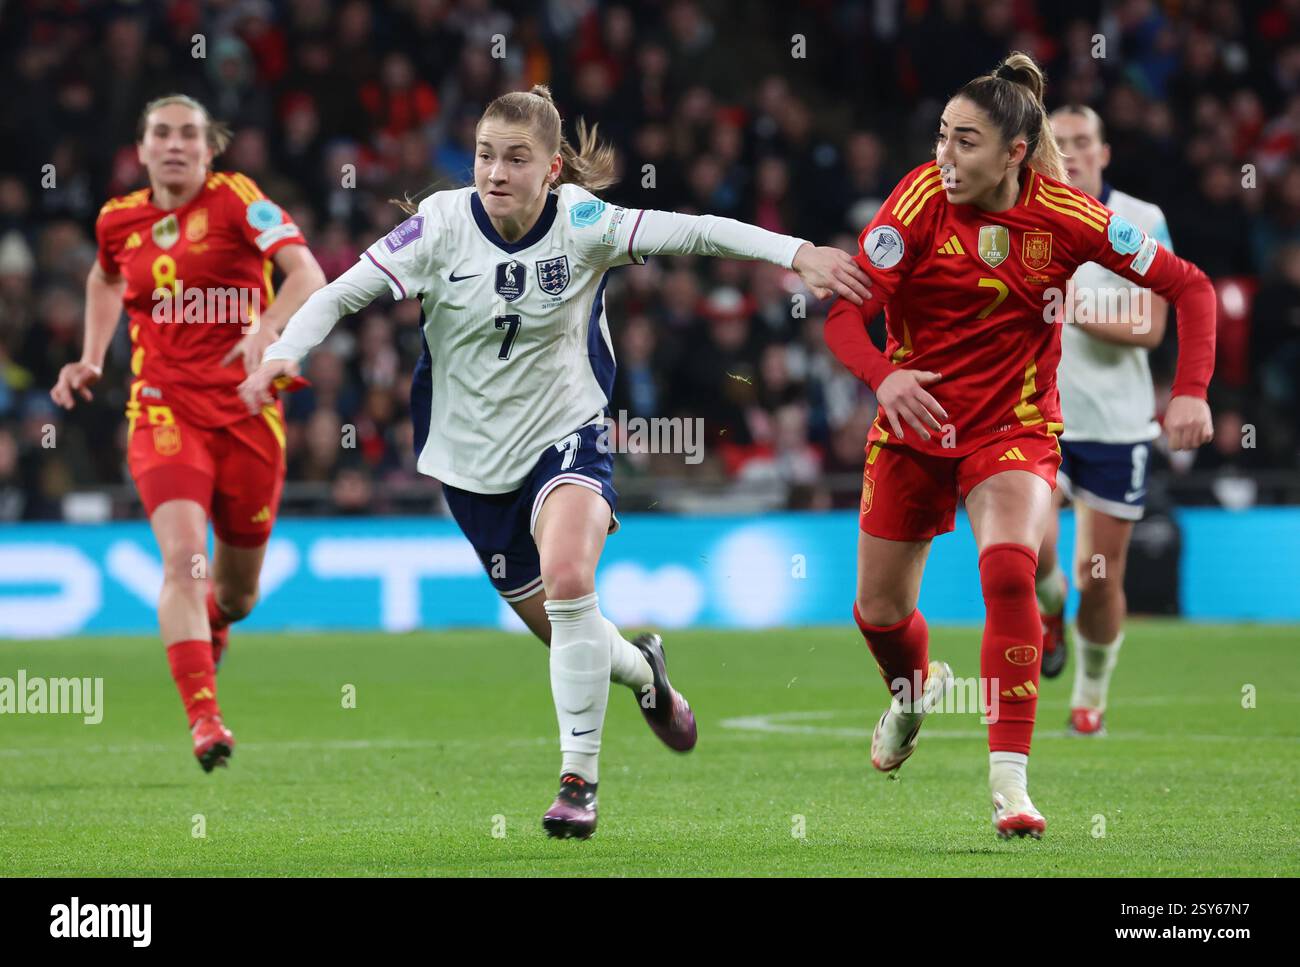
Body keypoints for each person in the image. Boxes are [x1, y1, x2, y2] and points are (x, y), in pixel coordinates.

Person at [238, 85, 870, 839]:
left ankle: (579, 783)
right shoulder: (438, 226)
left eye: (516, 159)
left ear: (553, 169)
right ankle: (646, 673)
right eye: (483, 155)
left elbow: (696, 233)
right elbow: (339, 296)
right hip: (470, 461)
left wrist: (797, 253)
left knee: (572, 580)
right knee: (573, 632)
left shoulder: (584, 224)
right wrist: (280, 353)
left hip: (565, 432)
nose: (495, 172)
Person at [823, 53, 1215, 839]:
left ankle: (1012, 785)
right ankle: (911, 694)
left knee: (1010, 569)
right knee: (878, 611)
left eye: (965, 142)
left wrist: (1192, 391)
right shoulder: (916, 200)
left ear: (1012, 152)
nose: (944, 157)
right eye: (940, 136)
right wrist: (883, 378)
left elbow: (1191, 286)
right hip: (912, 429)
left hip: (1013, 426)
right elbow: (842, 316)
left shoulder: (1069, 216)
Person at [51, 95, 326, 771]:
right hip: (163, 408)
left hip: (248, 409)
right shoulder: (119, 219)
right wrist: (92, 355)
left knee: (235, 593)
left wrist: (268, 327)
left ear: (210, 150)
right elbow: (103, 277)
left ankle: (217, 623)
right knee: (182, 560)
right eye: (161, 134)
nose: (175, 145)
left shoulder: (238, 202)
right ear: (142, 150)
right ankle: (205, 719)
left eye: (189, 136)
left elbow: (309, 275)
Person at [1034, 105, 1174, 734]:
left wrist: (1080, 311)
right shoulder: (1024, 213)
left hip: (1117, 426)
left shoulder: (1142, 221)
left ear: (1104, 150)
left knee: (1099, 578)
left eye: (1083, 141)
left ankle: (1089, 697)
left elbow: (1151, 327)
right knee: (1030, 551)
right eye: (1059, 143)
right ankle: (1046, 611)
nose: (1073, 153)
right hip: (1039, 419)